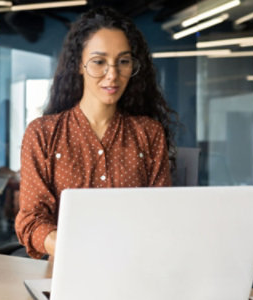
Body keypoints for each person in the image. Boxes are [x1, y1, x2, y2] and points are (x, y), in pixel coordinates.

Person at [15, 6, 177, 259]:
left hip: (135, 268)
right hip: (67, 273)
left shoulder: (149, 133)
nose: (112, 75)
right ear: (79, 64)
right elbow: (31, 220)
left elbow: (161, 216)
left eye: (123, 62)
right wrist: (75, 248)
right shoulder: (43, 134)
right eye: (99, 62)